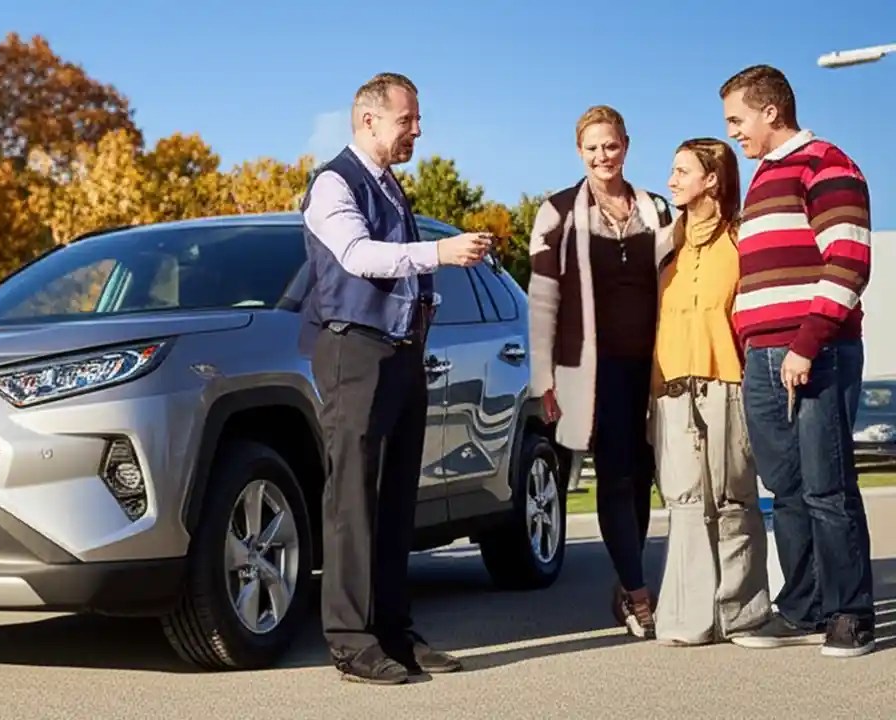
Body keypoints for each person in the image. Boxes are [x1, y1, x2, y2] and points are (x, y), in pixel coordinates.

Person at [300, 71, 493, 685]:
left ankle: (394, 634)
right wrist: (441, 253)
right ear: (369, 120)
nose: (417, 129)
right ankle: (352, 643)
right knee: (353, 501)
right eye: (407, 119)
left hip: (402, 354)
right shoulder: (335, 182)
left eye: (417, 119)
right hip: (354, 352)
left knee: (393, 501)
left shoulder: (390, 186)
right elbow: (357, 256)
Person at [718, 64, 876, 658]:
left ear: (770, 112)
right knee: (785, 489)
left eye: (737, 119)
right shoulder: (763, 178)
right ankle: (804, 606)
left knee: (827, 487)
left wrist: (806, 343)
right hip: (762, 356)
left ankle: (850, 613)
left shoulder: (825, 164)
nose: (734, 131)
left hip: (815, 350)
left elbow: (849, 260)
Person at [526, 105, 673, 640]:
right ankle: (637, 593)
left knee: (644, 474)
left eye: (610, 145)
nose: (602, 156)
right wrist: (543, 380)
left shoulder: (656, 209)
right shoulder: (558, 213)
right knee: (614, 471)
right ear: (579, 152)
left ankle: (626, 582)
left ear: (626, 146)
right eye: (591, 147)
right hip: (593, 369)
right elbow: (543, 300)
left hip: (653, 367)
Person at [650, 137, 772, 646]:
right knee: (684, 501)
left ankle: (743, 615)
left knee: (733, 499)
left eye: (682, 171)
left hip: (726, 382)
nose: (671, 180)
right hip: (670, 389)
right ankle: (686, 618)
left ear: (713, 180)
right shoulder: (662, 246)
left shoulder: (743, 240)